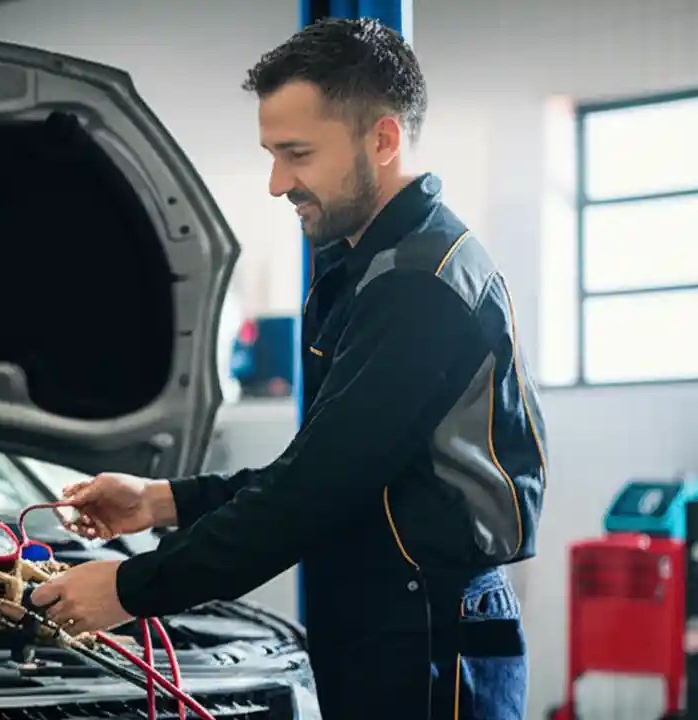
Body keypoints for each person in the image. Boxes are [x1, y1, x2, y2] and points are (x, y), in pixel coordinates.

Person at [30, 17, 548, 720]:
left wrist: (129, 588)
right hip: (390, 621)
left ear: (384, 139)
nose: (278, 183)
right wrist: (162, 501)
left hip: (428, 641)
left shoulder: (420, 285)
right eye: (272, 154)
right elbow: (328, 472)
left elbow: (312, 495)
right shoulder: (368, 267)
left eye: (297, 154)